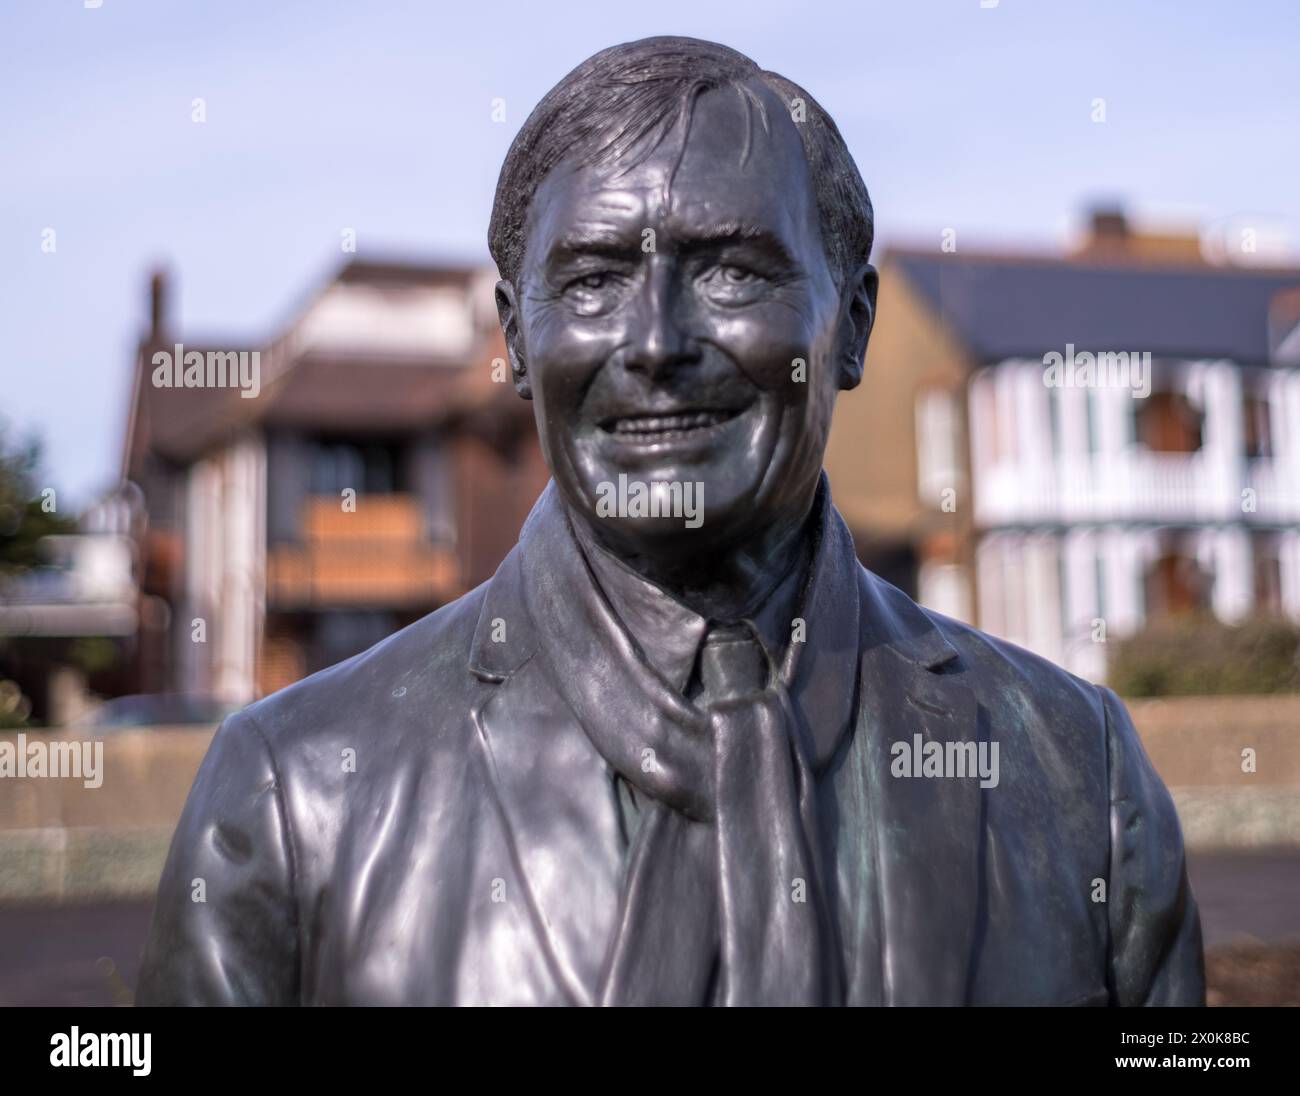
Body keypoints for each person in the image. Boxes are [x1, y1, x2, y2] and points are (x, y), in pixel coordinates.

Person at [136, 35, 1203, 1006]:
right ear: (514, 339)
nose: (653, 342)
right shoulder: (289, 795)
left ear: (852, 324)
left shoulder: (1078, 779)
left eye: (733, 270)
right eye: (592, 281)